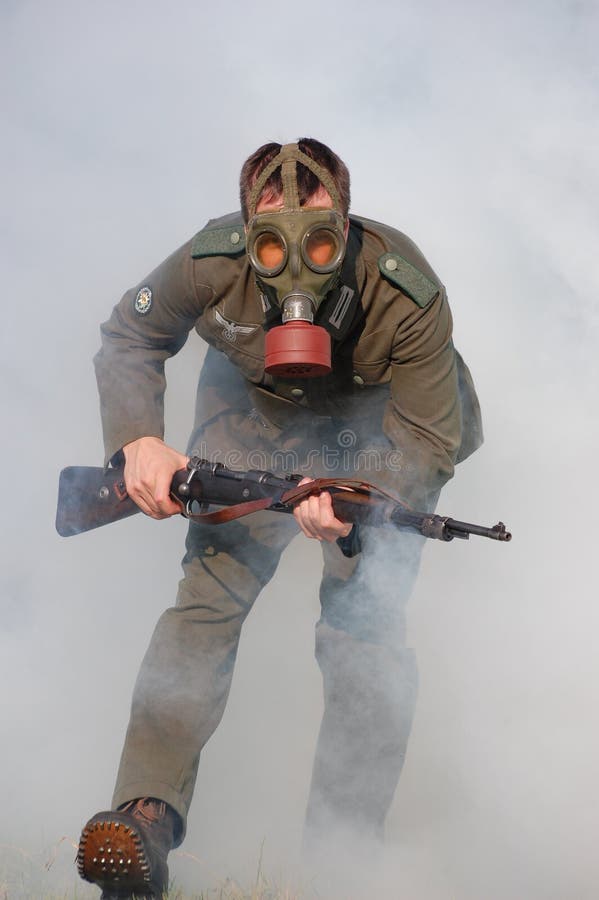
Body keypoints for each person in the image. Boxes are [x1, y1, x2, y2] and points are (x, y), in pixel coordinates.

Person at [76, 139, 482, 898]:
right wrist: (139, 442)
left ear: (348, 225)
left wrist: (357, 510)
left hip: (379, 437)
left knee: (363, 624)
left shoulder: (406, 288)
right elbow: (130, 335)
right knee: (206, 602)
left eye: (321, 239)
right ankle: (144, 823)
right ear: (243, 233)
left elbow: (430, 438)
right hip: (251, 419)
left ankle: (343, 858)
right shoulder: (209, 262)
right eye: (270, 241)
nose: (296, 262)